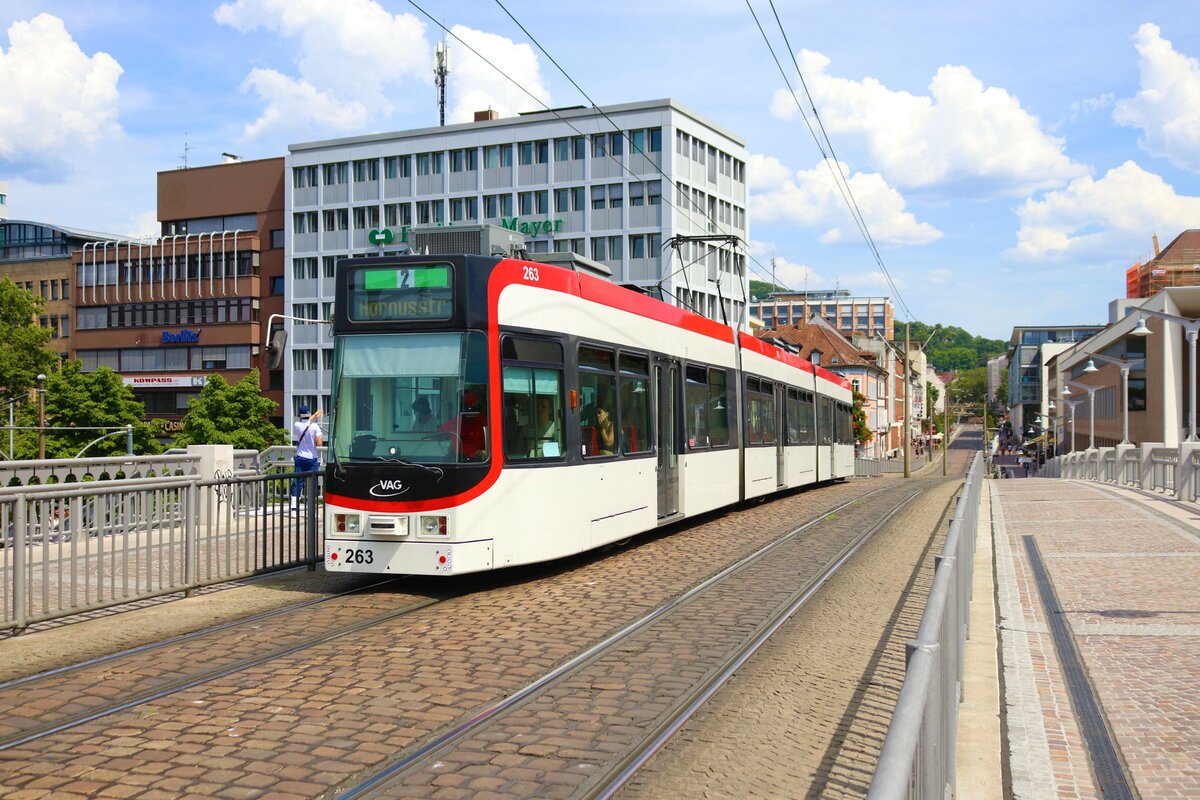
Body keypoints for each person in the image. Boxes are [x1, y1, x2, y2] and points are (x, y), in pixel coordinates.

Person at [292, 405, 323, 509]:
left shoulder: (296, 425)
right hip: (312, 459)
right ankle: (311, 507)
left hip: (300, 458)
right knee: (312, 482)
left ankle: (293, 508)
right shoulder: (315, 427)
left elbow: (305, 421)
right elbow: (319, 443)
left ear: (299, 415)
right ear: (309, 414)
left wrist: (314, 415)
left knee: (297, 482)